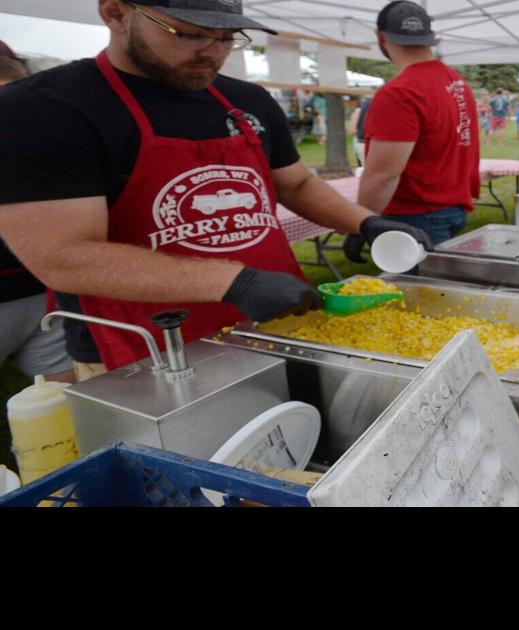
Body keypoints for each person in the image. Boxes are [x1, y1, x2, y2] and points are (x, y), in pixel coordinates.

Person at [0, 1, 431, 374]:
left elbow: (297, 184)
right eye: (190, 34)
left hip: (278, 324)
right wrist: (235, 282)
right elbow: (63, 257)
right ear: (115, 13)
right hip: (147, 349)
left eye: (227, 37)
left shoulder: (249, 101)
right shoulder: (44, 109)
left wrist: (365, 223)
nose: (212, 52)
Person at [355, 1, 481, 249]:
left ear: (380, 37)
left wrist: (360, 222)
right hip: (450, 207)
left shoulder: (399, 92)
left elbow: (384, 174)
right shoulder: (457, 82)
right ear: (431, 36)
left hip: (414, 215)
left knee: (421, 277)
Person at [0, 39, 75, 384]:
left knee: (64, 400)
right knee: (64, 400)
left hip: (44, 285)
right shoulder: (42, 113)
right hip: (45, 283)